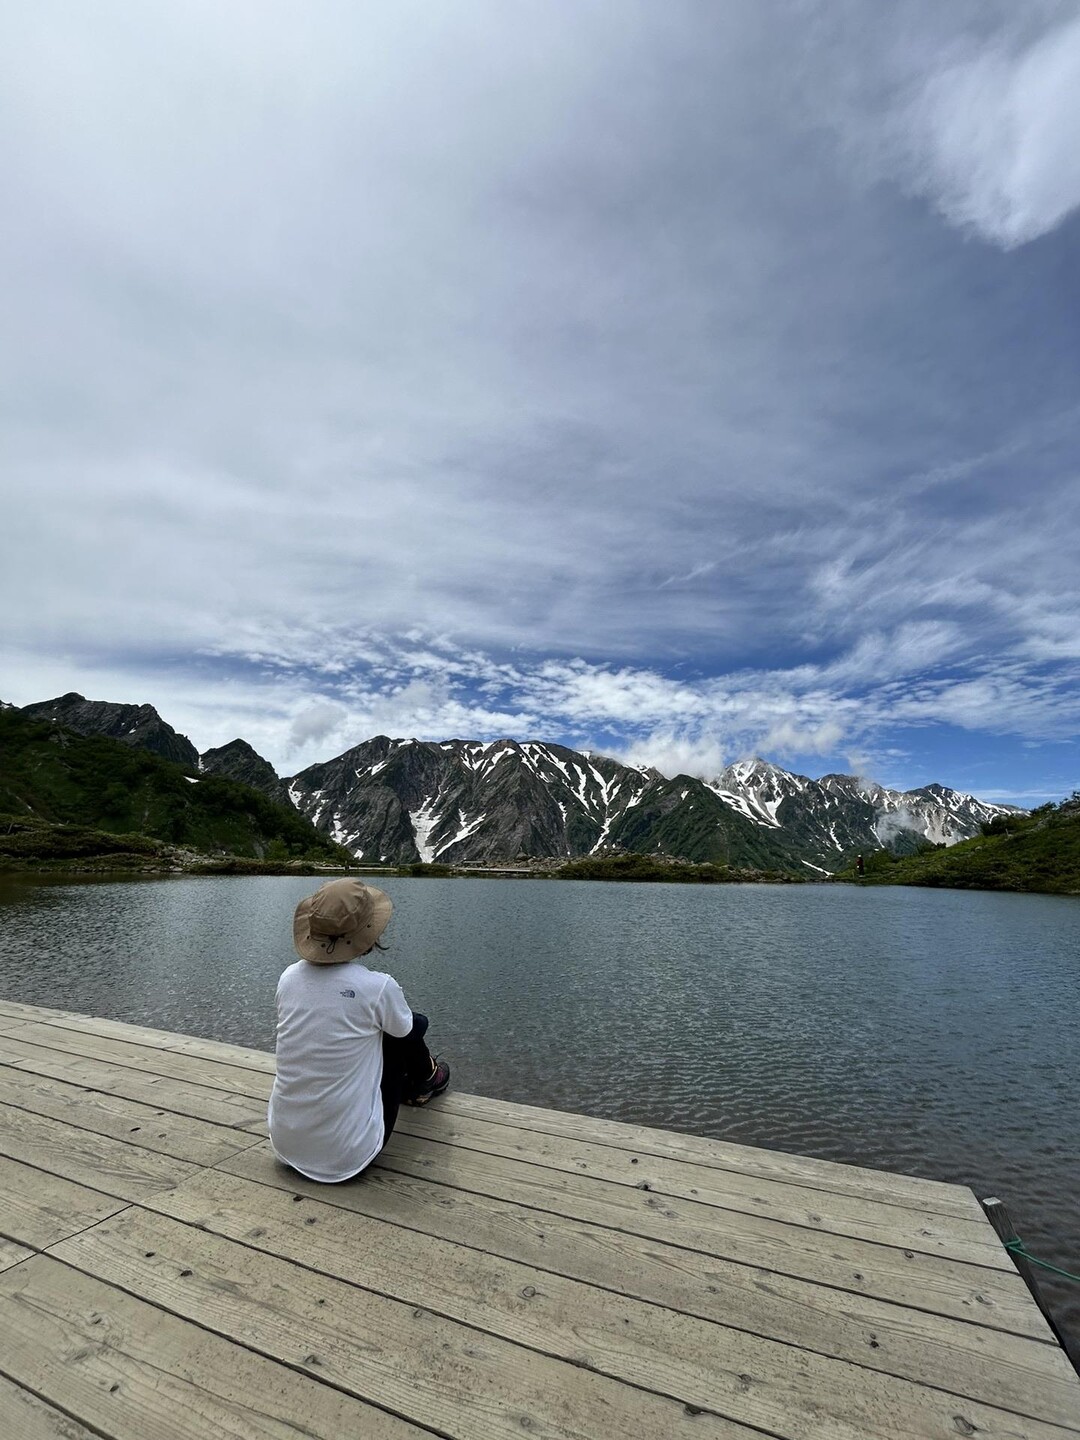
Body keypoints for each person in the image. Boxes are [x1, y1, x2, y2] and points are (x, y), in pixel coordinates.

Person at [267, 877, 450, 1183]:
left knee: (379, 1027)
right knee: (400, 1032)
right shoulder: (377, 988)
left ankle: (426, 1078)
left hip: (285, 1143)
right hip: (348, 1157)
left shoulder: (288, 979)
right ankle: (427, 1079)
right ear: (368, 932)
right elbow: (410, 1031)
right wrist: (419, 1023)